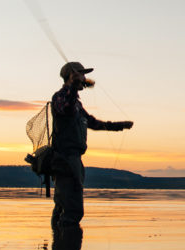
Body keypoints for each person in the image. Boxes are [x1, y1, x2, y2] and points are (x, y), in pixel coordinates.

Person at [50, 61, 133, 229]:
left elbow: (93, 123)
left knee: (63, 205)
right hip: (64, 160)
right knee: (72, 209)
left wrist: (119, 126)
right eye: (81, 75)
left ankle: (59, 248)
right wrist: (73, 86)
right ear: (71, 76)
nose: (85, 78)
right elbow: (66, 110)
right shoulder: (60, 97)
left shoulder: (77, 103)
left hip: (73, 160)